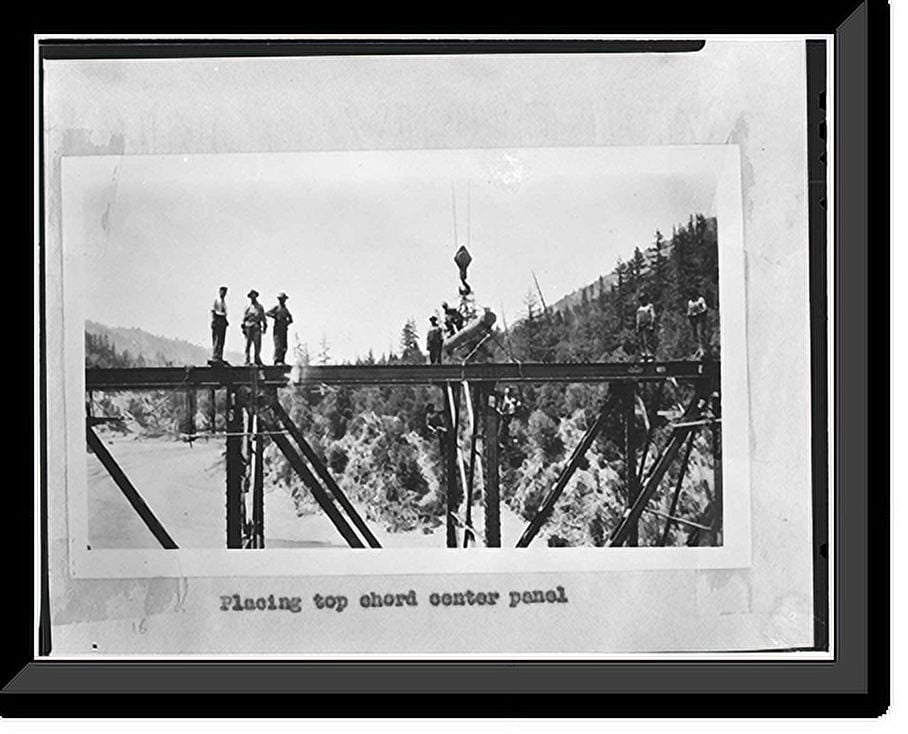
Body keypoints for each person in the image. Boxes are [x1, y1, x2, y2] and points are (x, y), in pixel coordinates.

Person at [265, 292, 294, 366]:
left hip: (284, 329)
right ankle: (277, 360)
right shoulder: (276, 308)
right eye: (281, 299)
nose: (282, 300)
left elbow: (291, 319)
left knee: (284, 346)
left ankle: (282, 360)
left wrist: (287, 322)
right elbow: (267, 313)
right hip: (277, 329)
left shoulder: (285, 309)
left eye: (283, 299)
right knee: (278, 345)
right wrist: (274, 316)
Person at [242, 289, 267, 366]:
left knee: (257, 344)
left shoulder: (259, 307)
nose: (253, 298)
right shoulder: (247, 307)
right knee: (248, 344)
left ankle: (257, 359)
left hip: (256, 326)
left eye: (254, 296)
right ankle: (247, 360)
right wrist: (243, 327)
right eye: (251, 296)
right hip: (248, 326)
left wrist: (265, 326)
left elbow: (263, 317)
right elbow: (244, 318)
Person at [686, 289, 708, 359]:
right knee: (694, 335)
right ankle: (696, 349)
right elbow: (689, 311)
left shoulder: (700, 300)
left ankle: (703, 349)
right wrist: (690, 315)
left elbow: (705, 308)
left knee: (700, 334)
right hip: (693, 320)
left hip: (700, 319)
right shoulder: (690, 302)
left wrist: (699, 313)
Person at [210, 285, 229, 364]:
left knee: (221, 340)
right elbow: (214, 311)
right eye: (222, 292)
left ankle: (219, 355)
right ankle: (215, 356)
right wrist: (214, 321)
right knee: (217, 339)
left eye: (225, 292)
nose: (223, 293)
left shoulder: (224, 302)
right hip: (218, 320)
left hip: (222, 320)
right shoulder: (217, 301)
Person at [635, 293, 656, 361]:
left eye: (643, 299)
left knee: (648, 341)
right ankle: (643, 355)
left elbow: (653, 315)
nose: (642, 301)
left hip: (647, 325)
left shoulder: (650, 306)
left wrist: (652, 324)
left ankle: (650, 355)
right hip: (641, 327)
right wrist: (637, 327)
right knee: (641, 341)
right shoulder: (639, 309)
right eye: (641, 299)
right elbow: (638, 319)